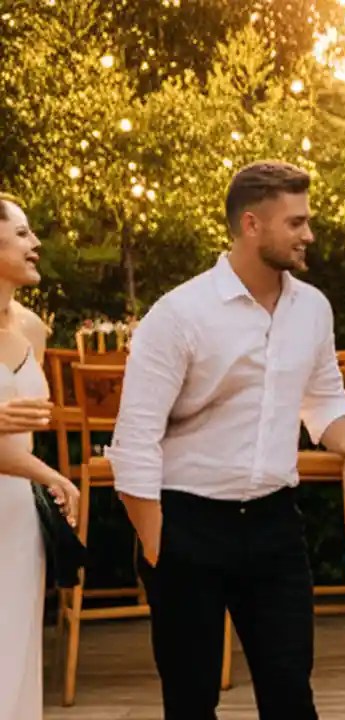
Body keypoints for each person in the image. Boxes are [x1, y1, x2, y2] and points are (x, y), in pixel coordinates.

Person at [108, 161, 345, 719]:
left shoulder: (312, 308)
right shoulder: (180, 314)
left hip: (274, 524)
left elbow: (324, 401)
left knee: (291, 696)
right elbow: (136, 435)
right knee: (190, 703)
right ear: (251, 224)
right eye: (296, 222)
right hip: (187, 523)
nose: (309, 235)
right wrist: (156, 543)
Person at [0, 193, 78, 720]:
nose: (36, 243)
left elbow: (25, 428)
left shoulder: (33, 328)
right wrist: (52, 474)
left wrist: (47, 476)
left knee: (15, 649)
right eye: (23, 233)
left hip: (15, 510)